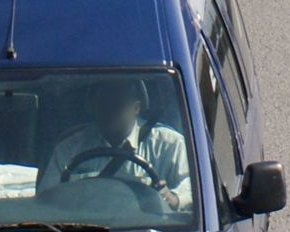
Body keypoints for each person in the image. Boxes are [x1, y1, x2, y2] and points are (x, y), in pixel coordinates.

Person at [47, 79, 193, 211]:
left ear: (136, 108)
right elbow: (46, 198)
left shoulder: (169, 145)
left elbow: (196, 189)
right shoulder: (69, 148)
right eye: (104, 104)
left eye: (118, 105)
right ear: (92, 106)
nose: (110, 111)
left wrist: (174, 198)